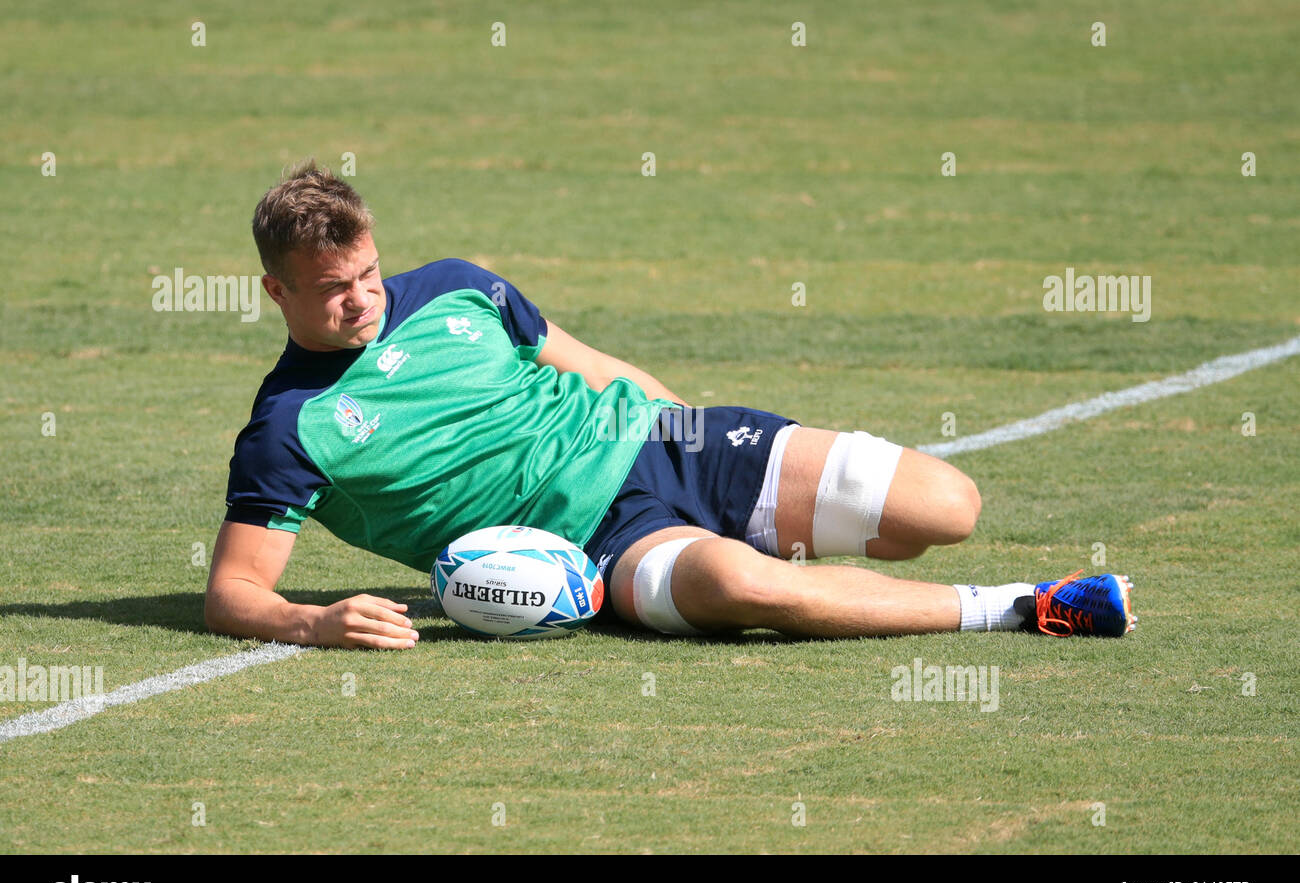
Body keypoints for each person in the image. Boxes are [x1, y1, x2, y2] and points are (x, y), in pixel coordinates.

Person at [204, 161, 1135, 650]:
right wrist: (314, 621)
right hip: (598, 546)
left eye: (367, 272)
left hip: (668, 442)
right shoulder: (288, 429)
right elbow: (234, 592)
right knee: (741, 587)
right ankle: (1023, 608)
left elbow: (599, 362)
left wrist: (700, 440)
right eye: (332, 288)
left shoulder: (458, 288)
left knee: (944, 508)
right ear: (275, 292)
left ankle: (773, 548)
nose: (361, 297)